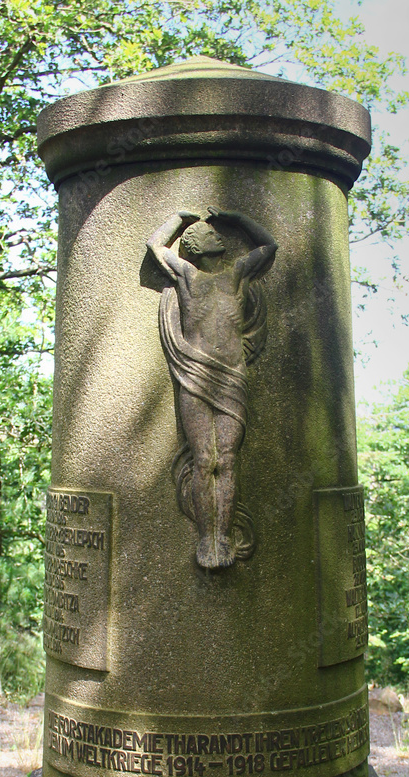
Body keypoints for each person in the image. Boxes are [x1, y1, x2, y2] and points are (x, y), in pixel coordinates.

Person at [147, 207, 277, 568]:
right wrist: (176, 219)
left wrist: (238, 218)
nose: (216, 236)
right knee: (206, 459)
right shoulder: (187, 275)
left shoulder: (237, 275)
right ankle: (207, 539)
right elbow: (156, 246)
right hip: (195, 375)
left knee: (229, 459)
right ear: (193, 246)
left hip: (232, 377)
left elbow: (269, 245)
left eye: (217, 233)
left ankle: (223, 535)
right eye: (208, 234)